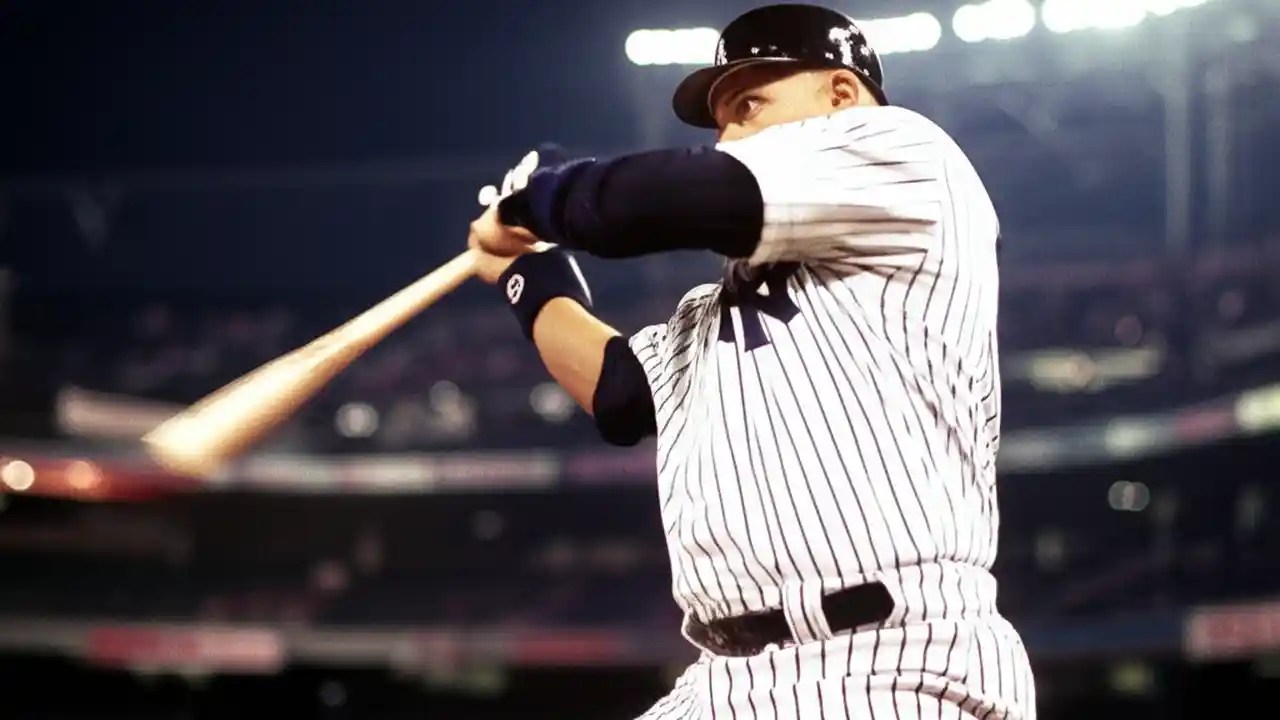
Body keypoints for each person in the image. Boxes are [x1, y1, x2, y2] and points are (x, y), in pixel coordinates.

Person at [466, 4, 1034, 718]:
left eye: (750, 103)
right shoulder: (718, 309)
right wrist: (526, 274)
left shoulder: (908, 158)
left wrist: (538, 195)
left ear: (841, 95)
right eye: (721, 121)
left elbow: (669, 198)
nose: (729, 135)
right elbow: (620, 391)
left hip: (896, 663)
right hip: (727, 680)